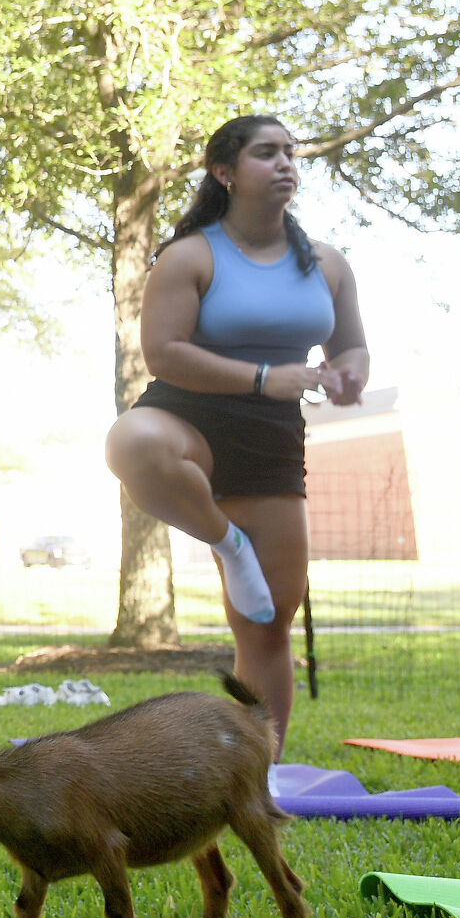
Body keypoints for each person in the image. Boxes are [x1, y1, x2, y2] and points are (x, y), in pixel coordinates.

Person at [104, 115, 369, 754]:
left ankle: (260, 776)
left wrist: (350, 376)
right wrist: (263, 377)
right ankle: (227, 542)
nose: (285, 164)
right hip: (187, 420)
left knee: (266, 626)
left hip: (270, 445)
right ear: (224, 172)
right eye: (266, 154)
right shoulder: (191, 254)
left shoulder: (327, 263)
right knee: (128, 443)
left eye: (290, 153)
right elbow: (163, 353)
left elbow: (352, 347)